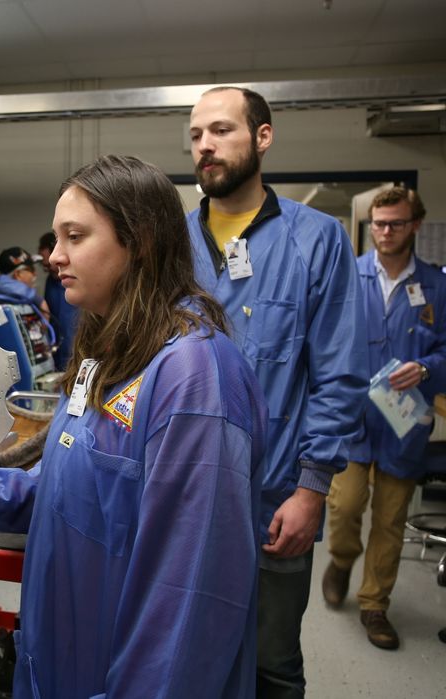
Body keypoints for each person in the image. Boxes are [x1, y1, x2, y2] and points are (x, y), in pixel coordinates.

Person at [0, 154, 267, 698]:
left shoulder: (194, 378)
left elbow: (188, 602)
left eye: (75, 236)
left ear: (139, 241)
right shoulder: (106, 350)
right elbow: (81, 476)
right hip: (61, 651)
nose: (55, 255)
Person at [186, 86, 368, 696]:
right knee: (182, 652)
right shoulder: (169, 246)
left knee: (272, 665)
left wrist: (313, 488)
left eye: (220, 130)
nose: (205, 146)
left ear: (262, 137)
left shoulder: (315, 240)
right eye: (195, 136)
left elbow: (339, 372)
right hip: (178, 492)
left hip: (275, 498)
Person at [323, 187, 446, 649]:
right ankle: (341, 559)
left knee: (391, 519)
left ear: (415, 224)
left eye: (395, 223)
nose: (385, 231)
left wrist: (429, 367)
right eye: (378, 223)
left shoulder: (437, 286)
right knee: (346, 506)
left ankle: (375, 605)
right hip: (353, 416)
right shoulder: (348, 277)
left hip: (406, 421)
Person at [38, 231, 78, 369]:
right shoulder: (51, 281)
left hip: (77, 354)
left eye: (49, 265)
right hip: (58, 356)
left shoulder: (78, 280)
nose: (47, 267)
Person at [0, 246, 50, 318]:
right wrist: (37, 299)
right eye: (31, 269)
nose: (35, 274)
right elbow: (0, 283)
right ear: (17, 274)